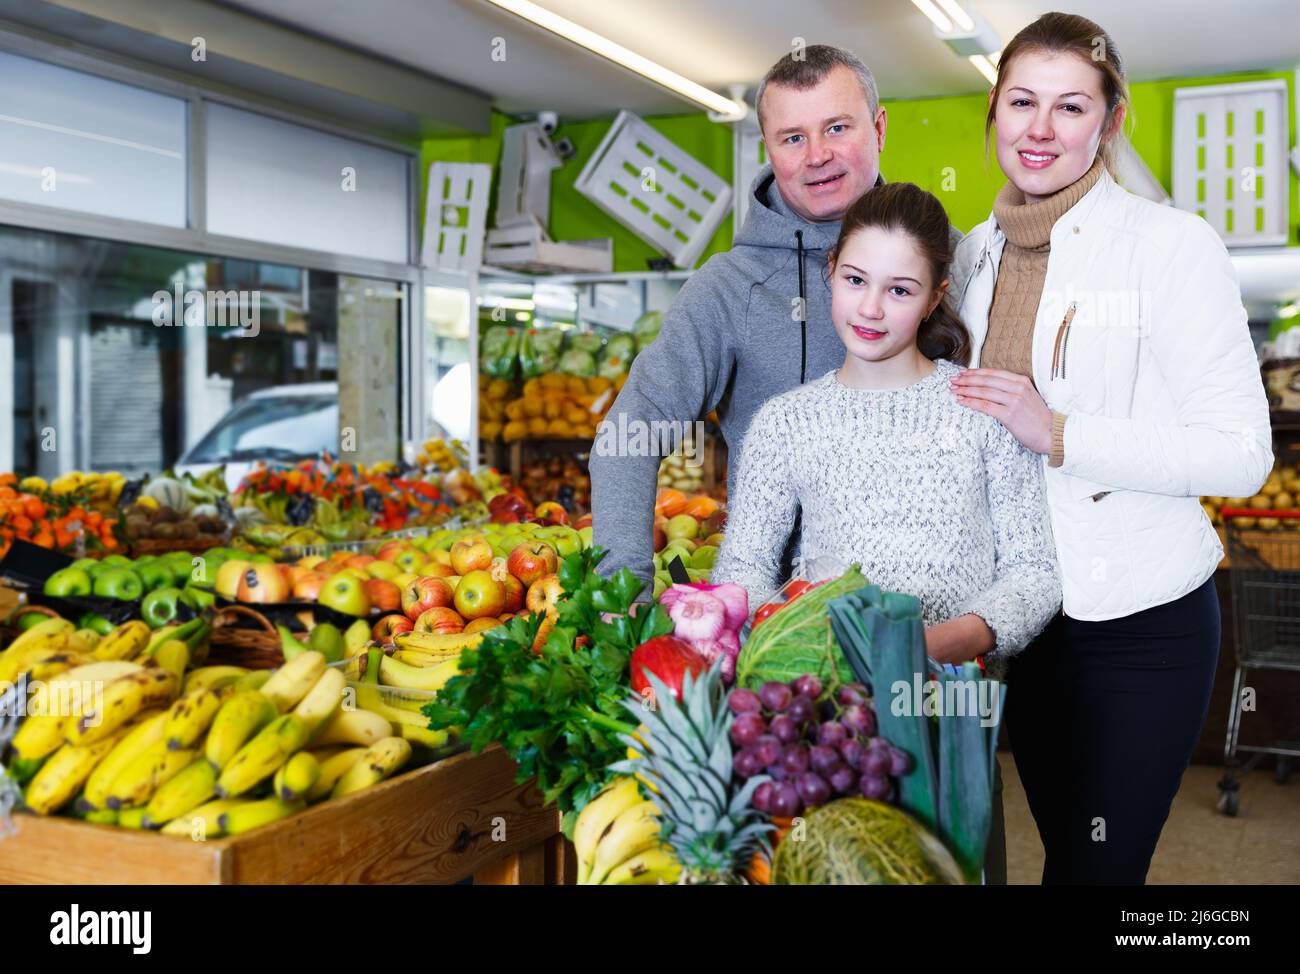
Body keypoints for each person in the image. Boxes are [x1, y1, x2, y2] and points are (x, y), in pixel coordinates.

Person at [948, 12, 1272, 885]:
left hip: (1142, 620)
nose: (1041, 129)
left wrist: (1057, 432)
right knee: (1066, 857)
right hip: (1026, 618)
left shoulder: (1171, 246)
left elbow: (1243, 453)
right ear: (995, 109)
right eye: (1022, 102)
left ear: (1110, 120)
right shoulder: (973, 255)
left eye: (1070, 106)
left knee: (1101, 873)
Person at [711, 183, 1061, 882]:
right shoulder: (784, 422)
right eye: (855, 280)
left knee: (954, 869)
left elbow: (1036, 572)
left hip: (952, 708)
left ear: (935, 297)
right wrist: (786, 638)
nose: (870, 308)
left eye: (900, 290)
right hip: (824, 718)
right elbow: (743, 567)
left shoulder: (982, 409)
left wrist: (935, 644)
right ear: (832, 268)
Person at [590, 45, 961, 593]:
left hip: (938, 602)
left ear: (879, 128)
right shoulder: (727, 288)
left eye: (837, 127)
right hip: (777, 613)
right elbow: (628, 434)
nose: (817, 156)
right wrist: (625, 600)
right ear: (768, 146)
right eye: (793, 137)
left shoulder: (952, 258)